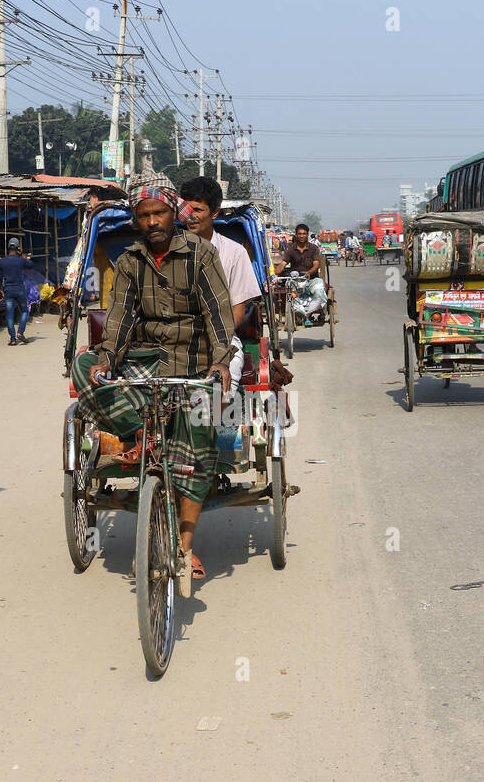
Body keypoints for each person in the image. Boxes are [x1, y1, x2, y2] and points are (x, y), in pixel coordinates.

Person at [71, 184, 234, 581]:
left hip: (192, 362)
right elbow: (121, 317)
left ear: (172, 213)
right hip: (143, 360)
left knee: (196, 450)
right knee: (83, 367)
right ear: (136, 220)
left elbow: (218, 313)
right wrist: (107, 357)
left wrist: (221, 362)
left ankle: (184, 546)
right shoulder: (129, 261)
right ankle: (142, 430)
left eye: (158, 213)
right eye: (144, 216)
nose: (152, 222)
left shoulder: (201, 254)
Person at [179, 175, 260, 398]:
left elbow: (237, 312)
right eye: (186, 210)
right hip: (173, 340)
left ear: (214, 213)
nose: (190, 217)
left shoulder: (234, 253)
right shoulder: (167, 249)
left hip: (220, 342)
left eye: (197, 210)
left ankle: (216, 426)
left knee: (218, 400)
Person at [277, 223, 333, 320]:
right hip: (295, 280)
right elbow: (283, 264)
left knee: (320, 292)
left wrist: (309, 273)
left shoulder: (314, 249)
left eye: (304, 234)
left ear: (307, 235)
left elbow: (316, 265)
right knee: (290, 294)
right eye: (299, 234)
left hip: (312, 279)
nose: (302, 236)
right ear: (296, 234)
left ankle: (308, 313)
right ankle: (299, 313)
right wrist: (274, 273)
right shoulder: (290, 250)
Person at [0, 237, 32, 345]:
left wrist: (0, 289)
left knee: (10, 316)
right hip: (19, 289)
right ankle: (20, 332)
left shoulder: (2, 262)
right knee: (25, 311)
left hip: (8, 290)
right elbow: (31, 265)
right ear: (17, 248)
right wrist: (22, 256)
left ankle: (12, 339)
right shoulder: (20, 260)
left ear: (8, 247)